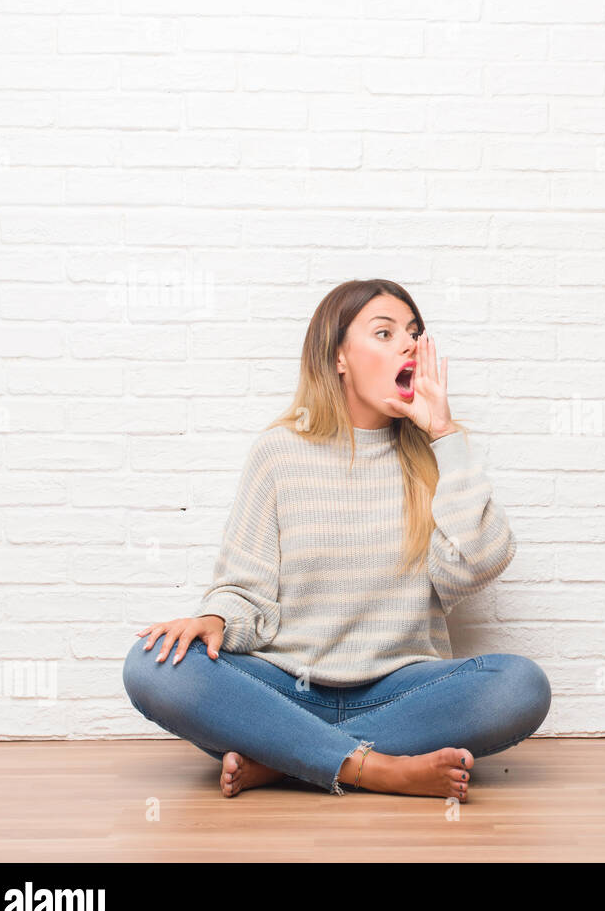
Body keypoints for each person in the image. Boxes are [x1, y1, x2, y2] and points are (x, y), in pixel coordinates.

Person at [122, 279, 550, 799]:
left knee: (520, 685)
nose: (409, 344)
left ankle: (289, 760)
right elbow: (245, 590)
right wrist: (212, 619)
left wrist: (444, 434)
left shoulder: (433, 459)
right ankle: (378, 769)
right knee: (151, 665)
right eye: (385, 332)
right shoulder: (279, 452)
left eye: (414, 333)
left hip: (400, 691)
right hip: (284, 689)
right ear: (339, 356)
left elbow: (478, 564)